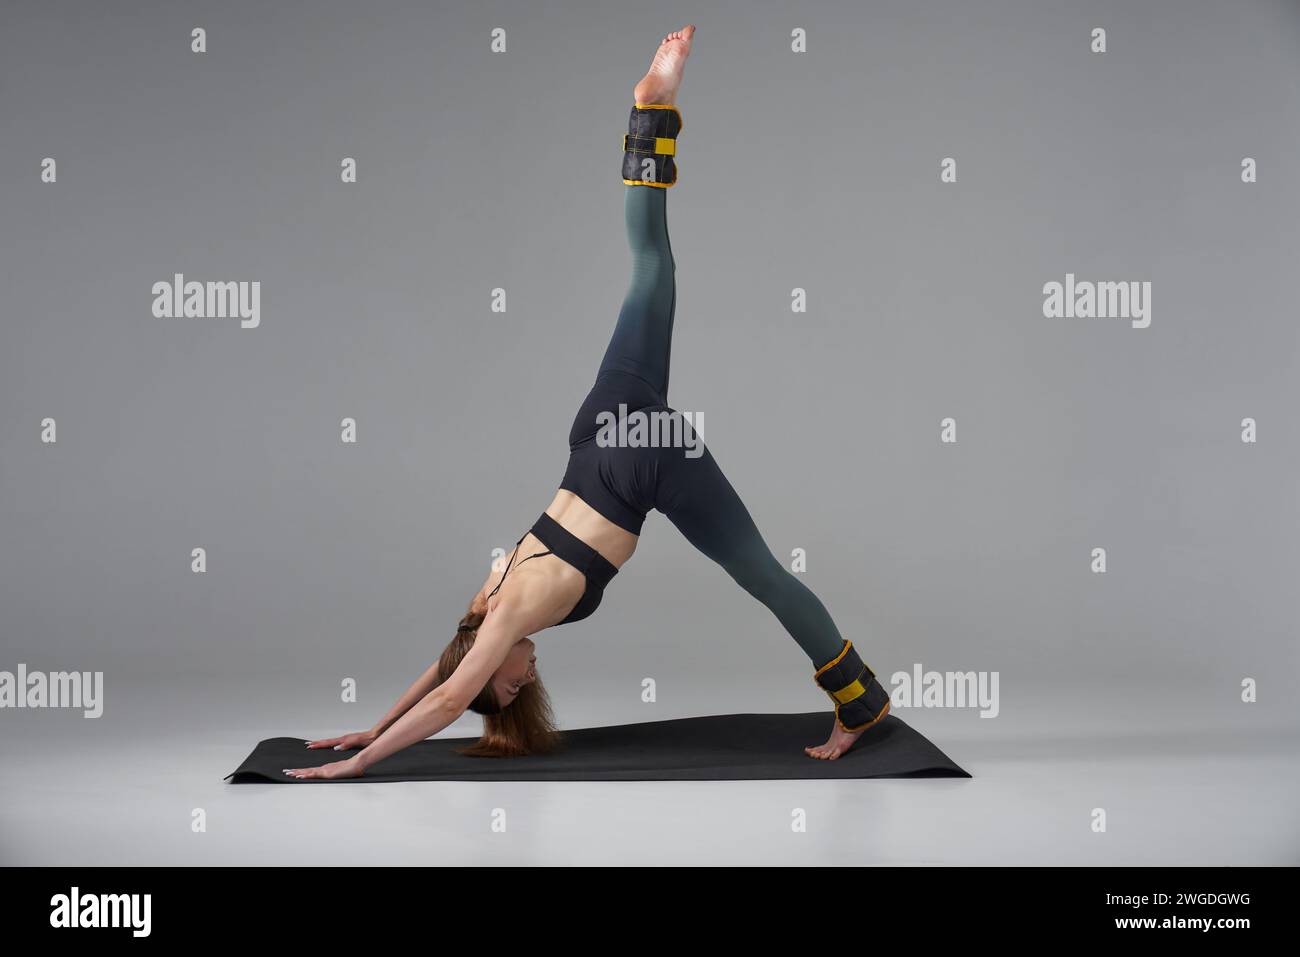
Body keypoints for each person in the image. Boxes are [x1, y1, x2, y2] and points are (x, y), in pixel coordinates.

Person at [285, 24, 890, 780]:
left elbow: (446, 699)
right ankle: (650, 118)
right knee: (649, 268)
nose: (526, 678)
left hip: (638, 463)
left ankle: (859, 698)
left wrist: (359, 760)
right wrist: (369, 721)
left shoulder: (502, 619)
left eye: (510, 684)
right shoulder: (483, 600)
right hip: (594, 429)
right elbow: (442, 674)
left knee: (763, 573)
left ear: (489, 658)